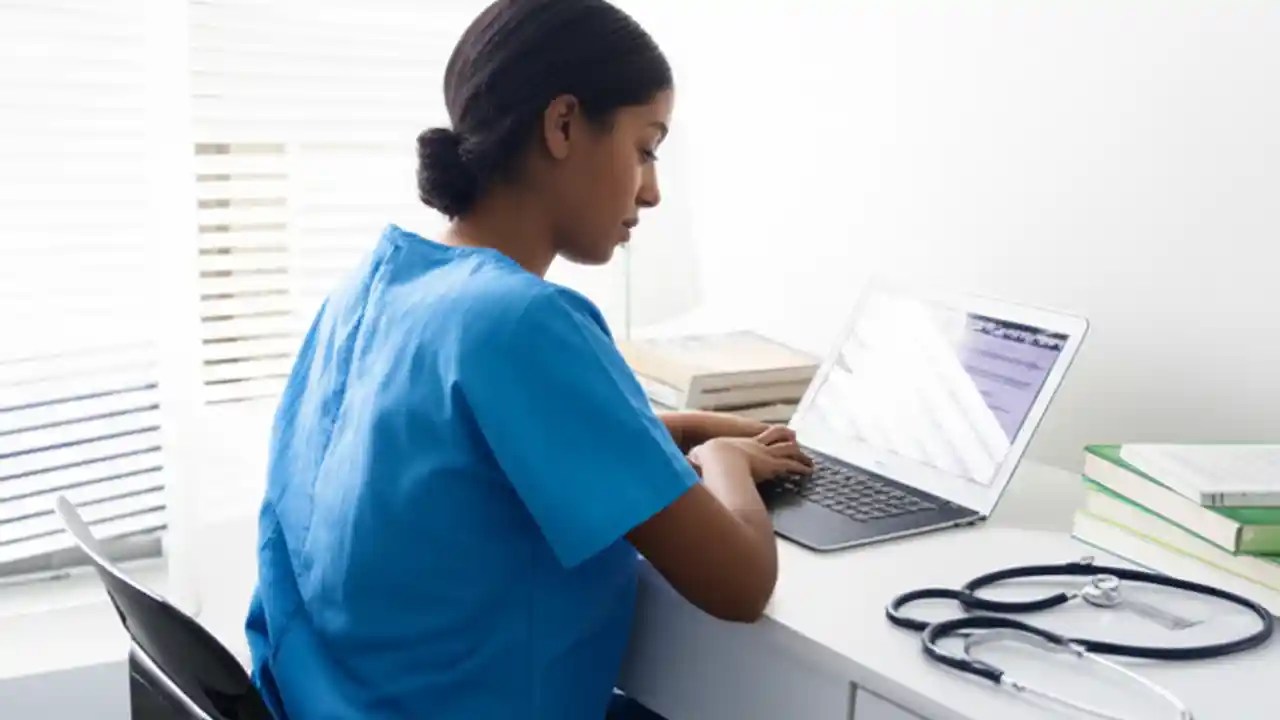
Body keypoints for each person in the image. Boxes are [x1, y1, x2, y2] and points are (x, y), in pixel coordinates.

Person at [243, 1, 813, 718]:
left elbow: (455, 459)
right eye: (645, 146)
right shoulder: (524, 321)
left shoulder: (376, 282)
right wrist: (726, 461)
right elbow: (738, 585)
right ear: (564, 124)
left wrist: (675, 427)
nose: (653, 189)